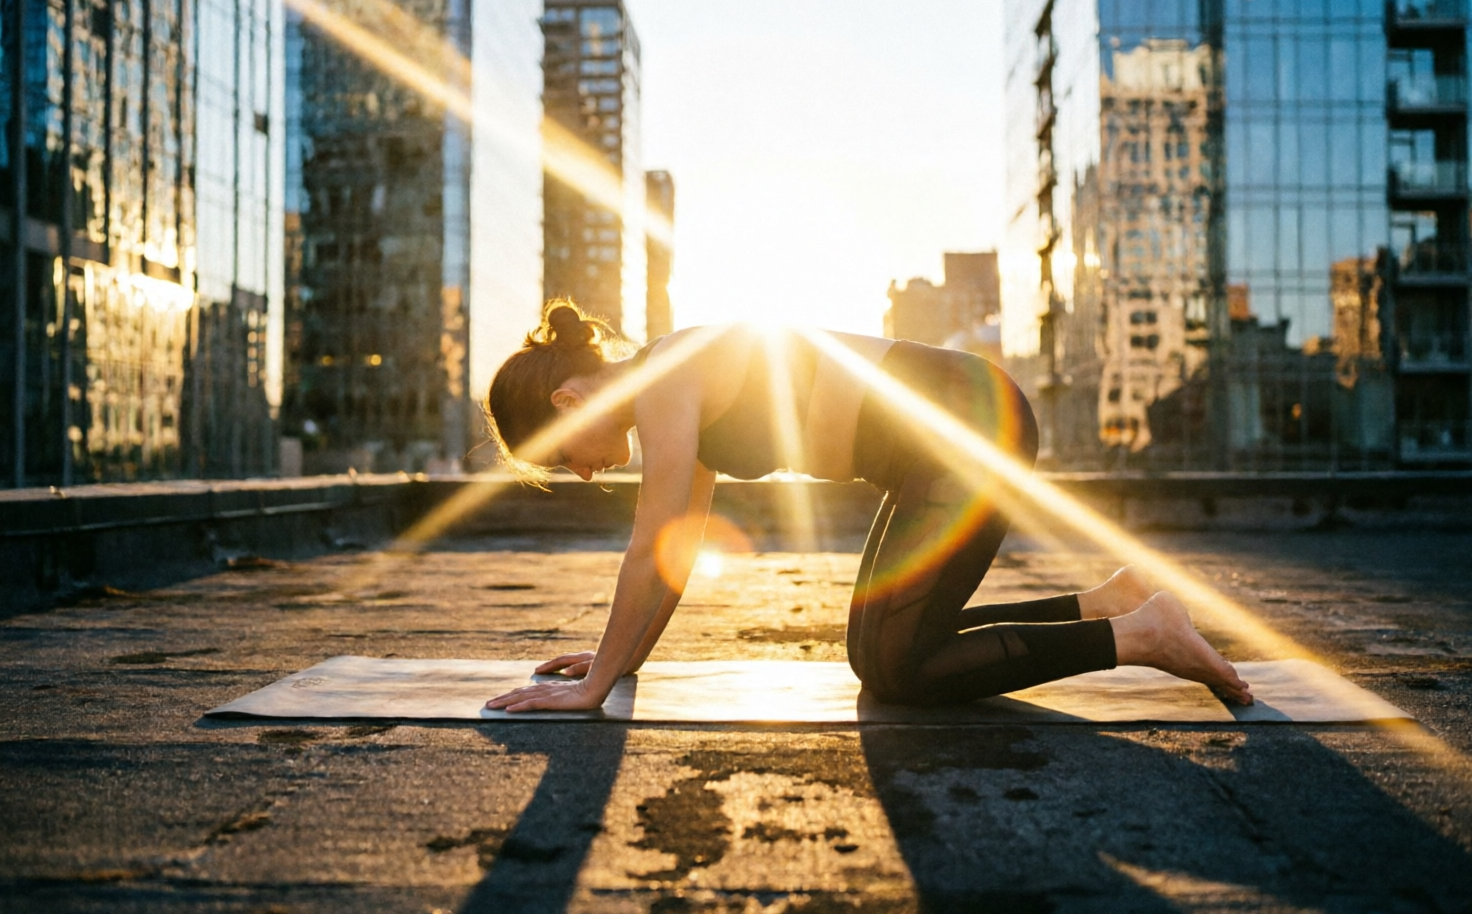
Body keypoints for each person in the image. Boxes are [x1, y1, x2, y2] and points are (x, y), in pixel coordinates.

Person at [483, 300, 1251, 713]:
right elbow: (677, 560)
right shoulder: (669, 387)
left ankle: (1139, 634)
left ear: (567, 401)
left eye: (561, 458)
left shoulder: (664, 380)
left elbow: (647, 545)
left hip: (970, 425)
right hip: (935, 454)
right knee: (876, 653)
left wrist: (589, 691)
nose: (580, 475)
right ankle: (1103, 605)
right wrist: (618, 665)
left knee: (898, 665)